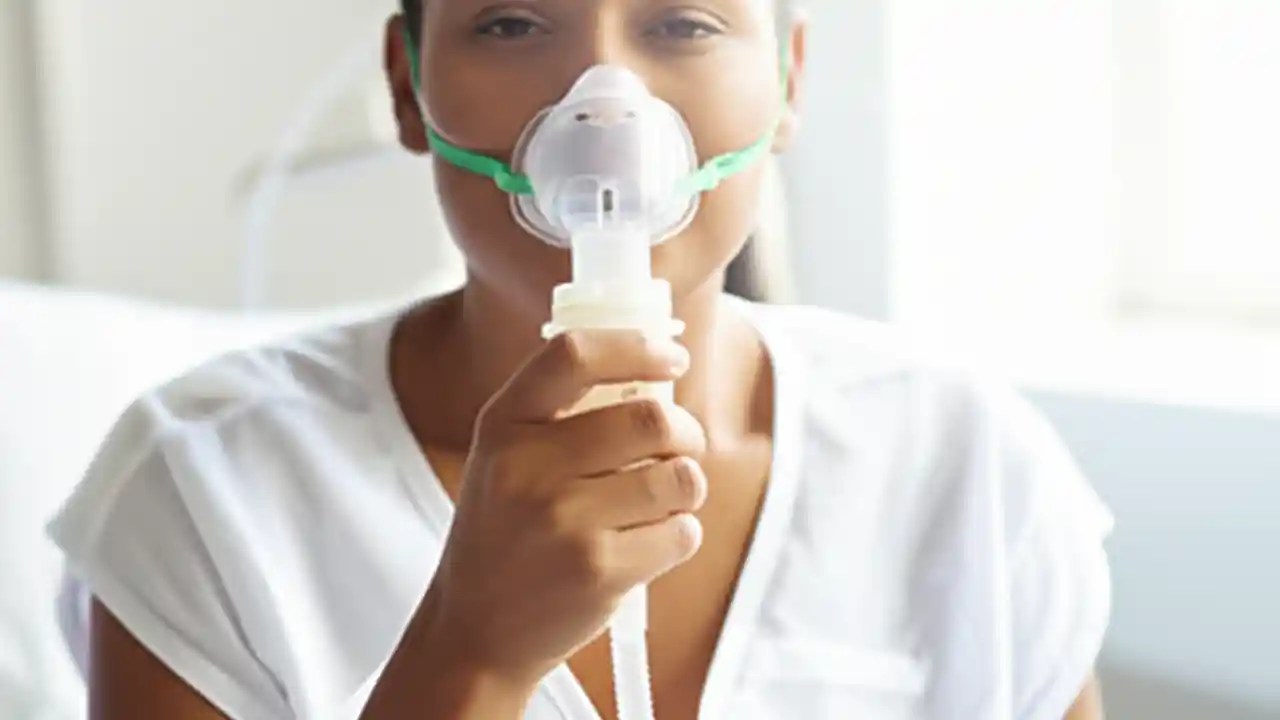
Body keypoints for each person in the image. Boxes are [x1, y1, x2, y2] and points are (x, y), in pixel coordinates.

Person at [49, 1, 1112, 718]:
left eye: (680, 22)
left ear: (787, 81)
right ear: (408, 86)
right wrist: (469, 655)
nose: (605, 105)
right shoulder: (201, 489)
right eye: (510, 21)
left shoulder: (961, 462)